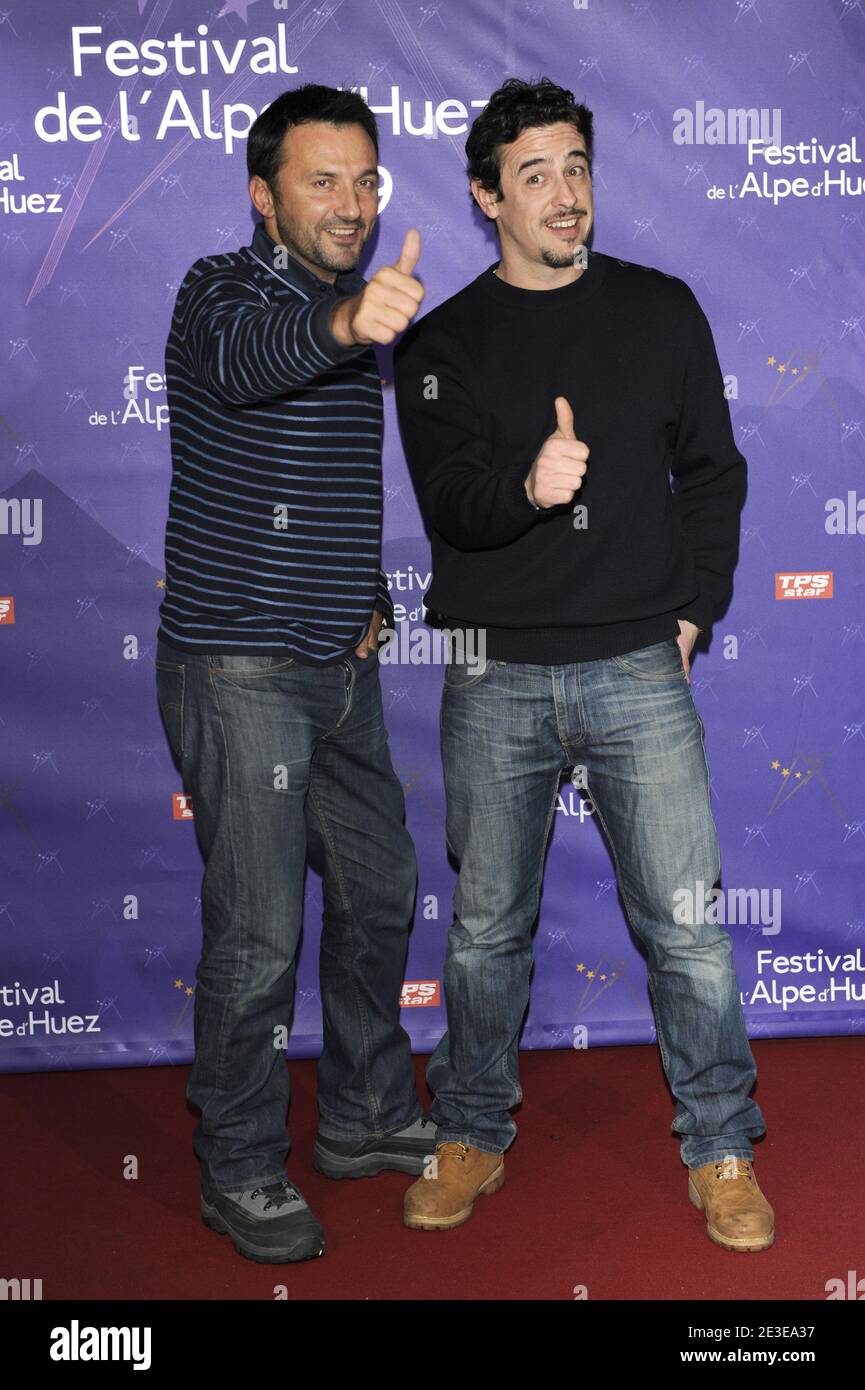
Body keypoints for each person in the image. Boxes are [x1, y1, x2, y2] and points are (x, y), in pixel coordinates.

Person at [392, 76, 773, 1252]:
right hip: (492, 674)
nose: (565, 194)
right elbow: (451, 507)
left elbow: (713, 470)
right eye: (536, 174)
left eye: (577, 167)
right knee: (485, 930)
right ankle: (470, 1130)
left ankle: (719, 1146)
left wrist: (695, 611)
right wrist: (528, 487)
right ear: (485, 196)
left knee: (687, 929)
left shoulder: (662, 310)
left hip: (636, 667)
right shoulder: (441, 341)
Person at [156, 84, 432, 1265]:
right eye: (322, 181)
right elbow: (249, 362)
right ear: (262, 196)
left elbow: (319, 488)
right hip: (235, 670)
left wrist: (365, 597)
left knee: (378, 890)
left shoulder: (351, 305)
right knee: (260, 936)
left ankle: (366, 1115)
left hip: (336, 666)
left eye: (365, 180)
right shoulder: (225, 296)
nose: (351, 203)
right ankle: (239, 1164)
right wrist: (345, 327)